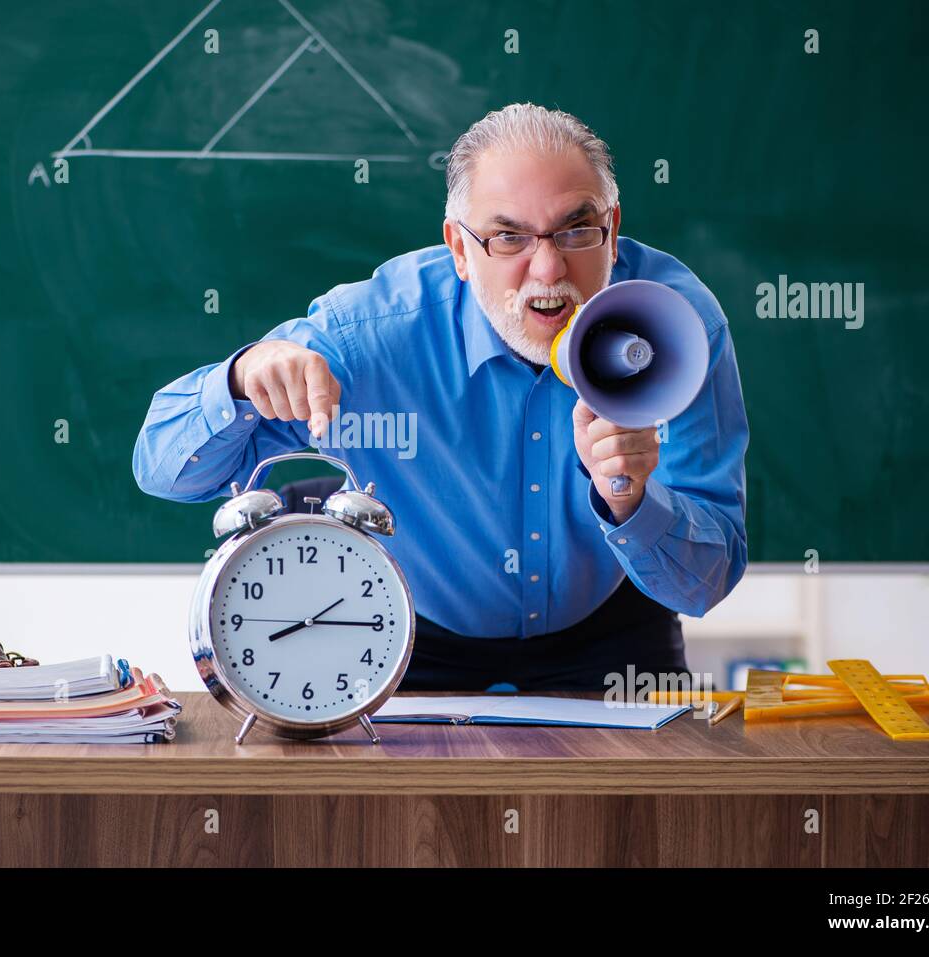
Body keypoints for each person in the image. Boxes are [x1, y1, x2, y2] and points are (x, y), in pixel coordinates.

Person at [133, 103, 748, 692]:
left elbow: (705, 585)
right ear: (458, 248)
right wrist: (241, 379)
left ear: (612, 230)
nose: (548, 268)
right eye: (508, 237)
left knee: (655, 799)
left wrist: (632, 501)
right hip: (407, 634)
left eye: (576, 229)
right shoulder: (367, 335)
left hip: (613, 632)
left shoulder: (675, 327)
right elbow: (162, 471)